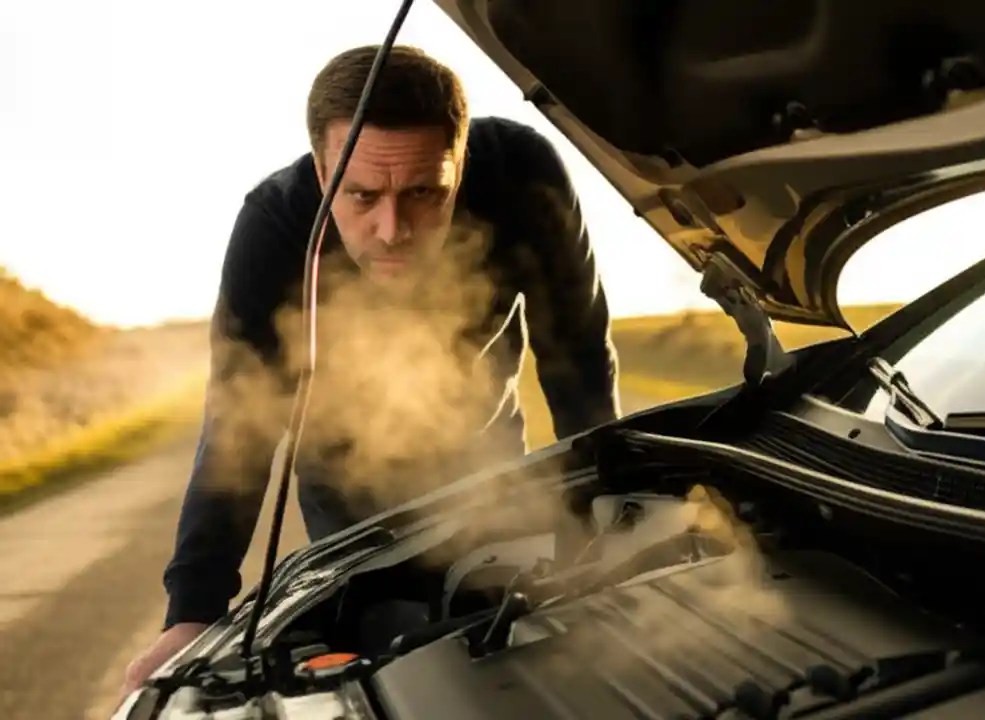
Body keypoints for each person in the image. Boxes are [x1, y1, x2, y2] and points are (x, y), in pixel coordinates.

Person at [120, 44, 620, 696]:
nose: (392, 229)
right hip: (349, 499)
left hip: (490, 467)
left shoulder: (523, 178)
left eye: (423, 193)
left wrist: (603, 513)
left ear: (461, 165)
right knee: (393, 672)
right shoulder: (273, 227)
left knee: (520, 663)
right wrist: (194, 608)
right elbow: (240, 426)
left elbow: (577, 359)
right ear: (322, 173)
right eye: (361, 195)